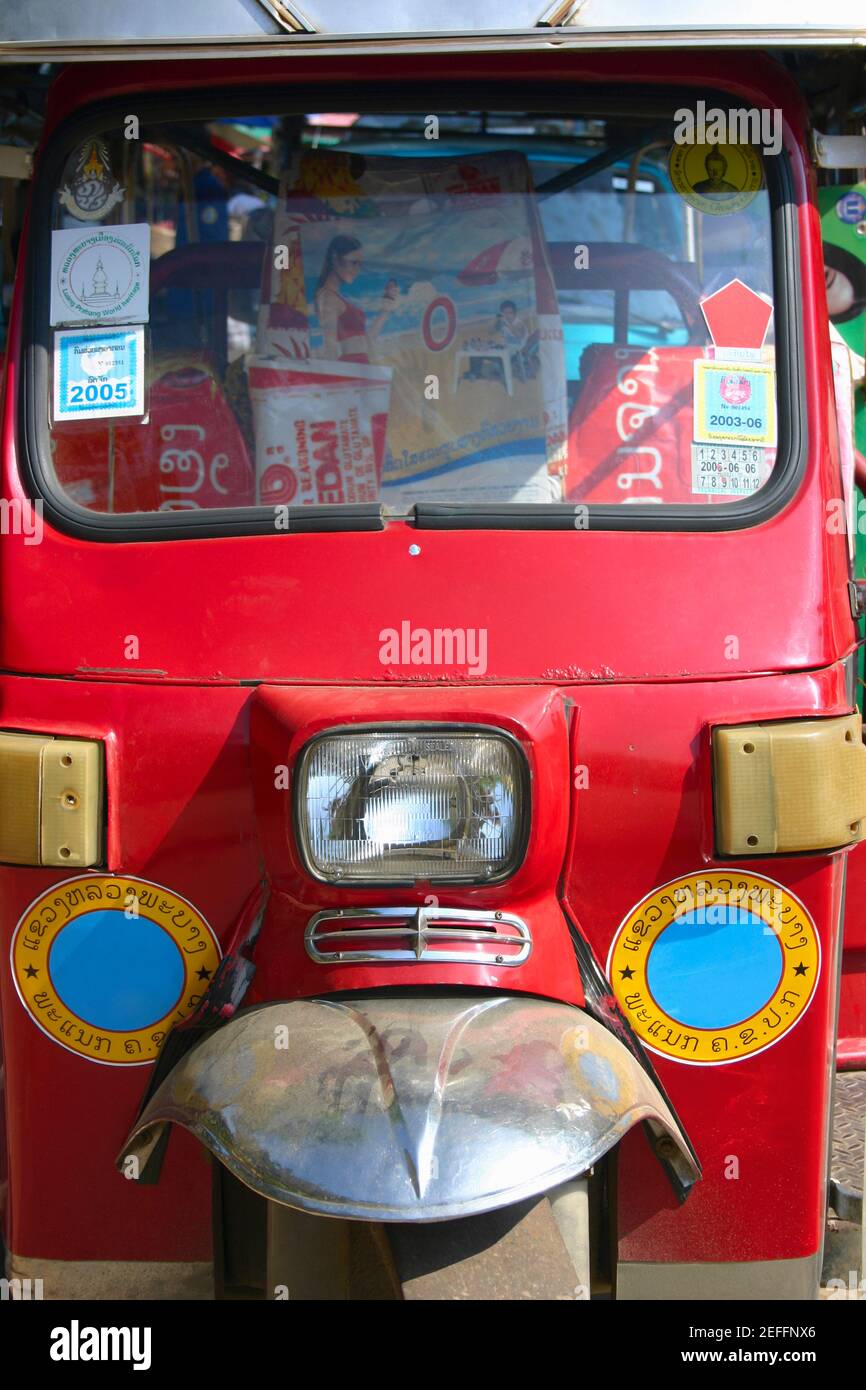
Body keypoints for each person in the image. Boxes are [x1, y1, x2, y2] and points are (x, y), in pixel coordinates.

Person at [314, 234, 398, 363]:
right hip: (352, 366)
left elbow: (367, 339)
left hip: (359, 364)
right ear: (335, 259)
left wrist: (385, 310)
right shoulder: (328, 297)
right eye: (353, 263)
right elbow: (330, 348)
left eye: (360, 264)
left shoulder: (335, 297)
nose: (357, 270)